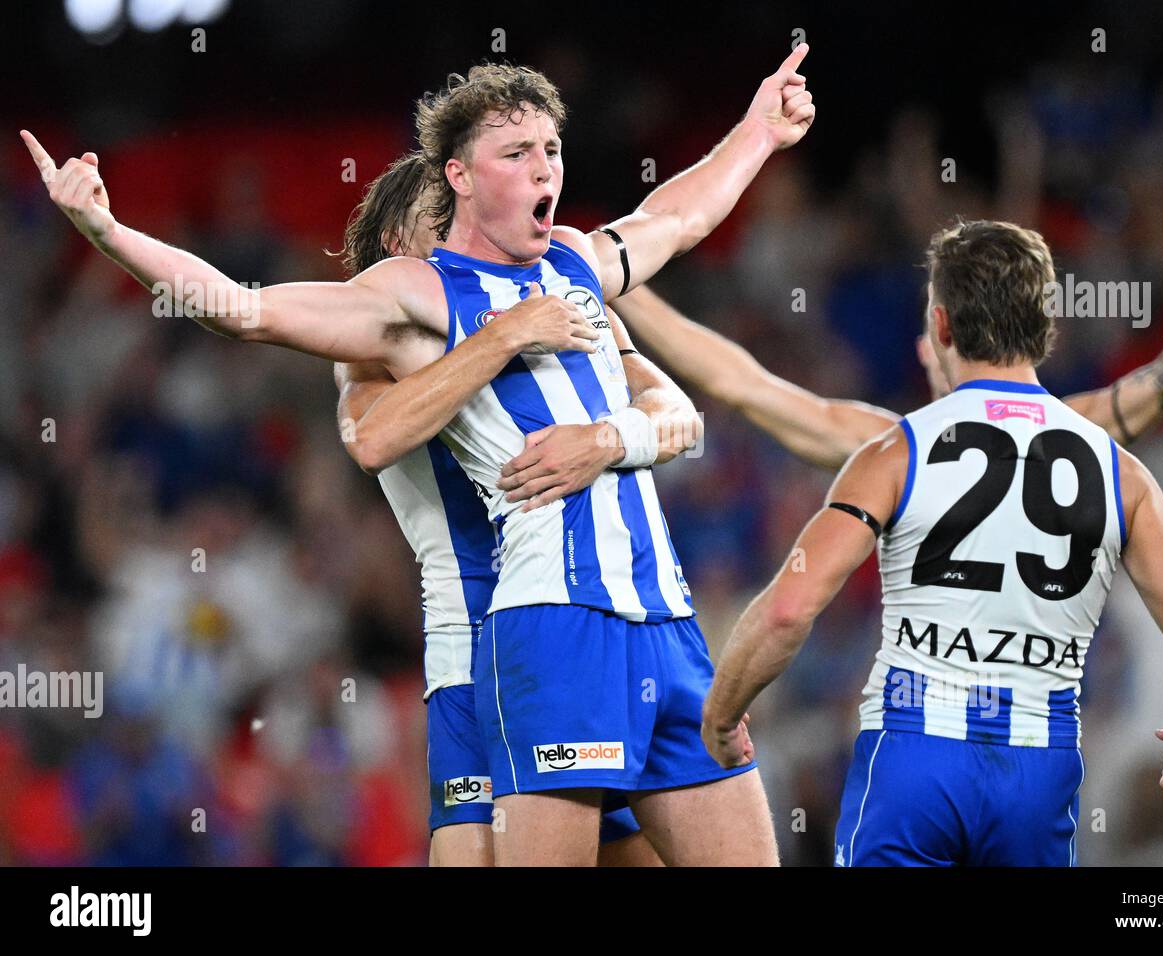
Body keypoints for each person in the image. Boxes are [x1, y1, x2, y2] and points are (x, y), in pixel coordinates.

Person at [23, 43, 814, 865]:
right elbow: (244, 312)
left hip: (663, 616)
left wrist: (757, 131)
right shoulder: (414, 302)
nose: (545, 168)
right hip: (536, 626)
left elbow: (677, 217)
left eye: (551, 150)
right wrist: (106, 229)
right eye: (517, 152)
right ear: (459, 180)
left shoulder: (576, 264)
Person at [702, 219, 1163, 866]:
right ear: (1046, 327)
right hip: (1038, 772)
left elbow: (788, 610)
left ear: (943, 327)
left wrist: (723, 715)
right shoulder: (1121, 473)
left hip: (911, 755)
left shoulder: (895, 451)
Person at [334, 152, 671, 865]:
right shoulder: (375, 354)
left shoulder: (534, 317)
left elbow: (673, 408)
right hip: (473, 639)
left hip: (580, 624)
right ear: (399, 248)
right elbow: (370, 438)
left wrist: (611, 435)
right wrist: (502, 334)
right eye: (448, 221)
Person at [612, 214, 1163, 469]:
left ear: (937, 338)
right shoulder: (1079, 431)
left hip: (920, 750)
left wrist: (621, 285)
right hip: (1038, 745)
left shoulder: (890, 446)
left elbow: (742, 383)